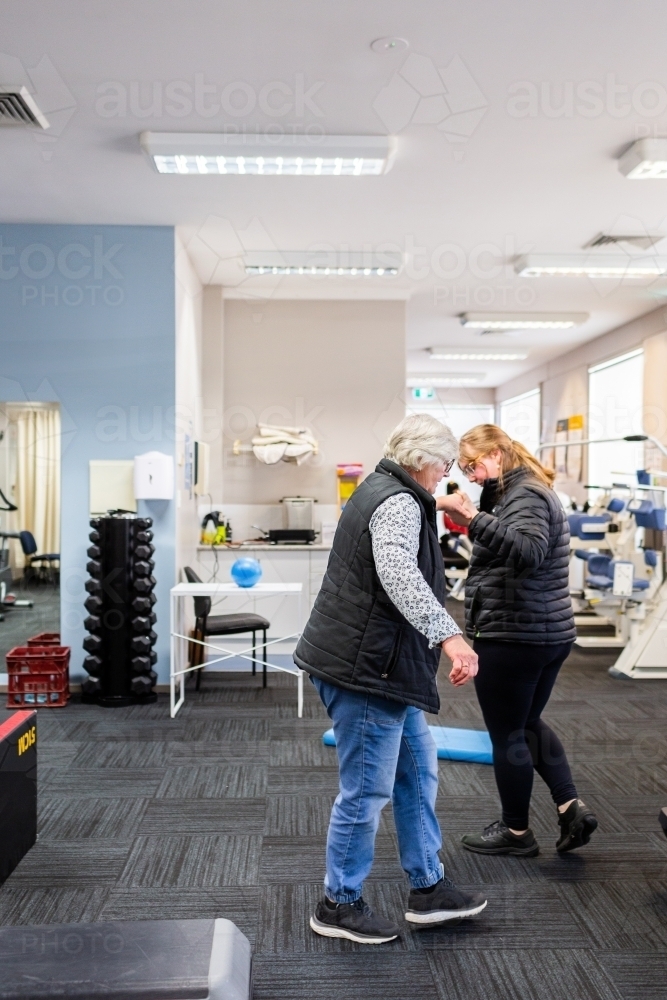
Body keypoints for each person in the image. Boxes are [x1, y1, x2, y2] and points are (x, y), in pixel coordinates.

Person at [294, 414, 487, 944]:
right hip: (365, 671)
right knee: (366, 791)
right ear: (423, 461)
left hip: (379, 665)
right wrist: (451, 637)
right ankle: (338, 903)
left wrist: (437, 503)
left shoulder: (385, 486)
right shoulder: (400, 502)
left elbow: (400, 517)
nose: (446, 476)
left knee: (417, 774)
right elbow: (398, 572)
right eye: (445, 468)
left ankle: (428, 888)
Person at [438, 424, 597, 857]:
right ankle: (570, 807)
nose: (470, 475)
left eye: (474, 465)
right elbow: (507, 543)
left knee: (508, 735)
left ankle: (516, 832)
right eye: (464, 468)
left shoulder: (526, 493)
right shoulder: (520, 489)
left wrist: (473, 517)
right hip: (543, 632)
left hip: (516, 634)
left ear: (498, 452)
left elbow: (528, 550)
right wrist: (474, 513)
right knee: (527, 724)